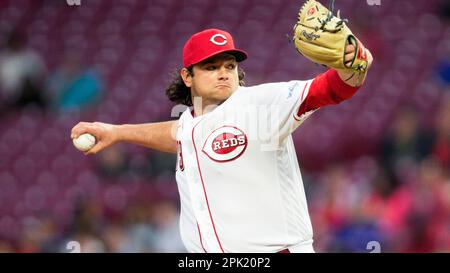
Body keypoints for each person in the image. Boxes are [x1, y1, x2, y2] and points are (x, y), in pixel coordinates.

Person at [71, 27, 373, 252]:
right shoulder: (189, 124)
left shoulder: (261, 104)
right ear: (187, 77)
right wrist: (117, 132)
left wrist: (356, 60)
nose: (224, 73)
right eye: (211, 67)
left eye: (230, 65)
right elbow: (179, 136)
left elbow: (334, 88)